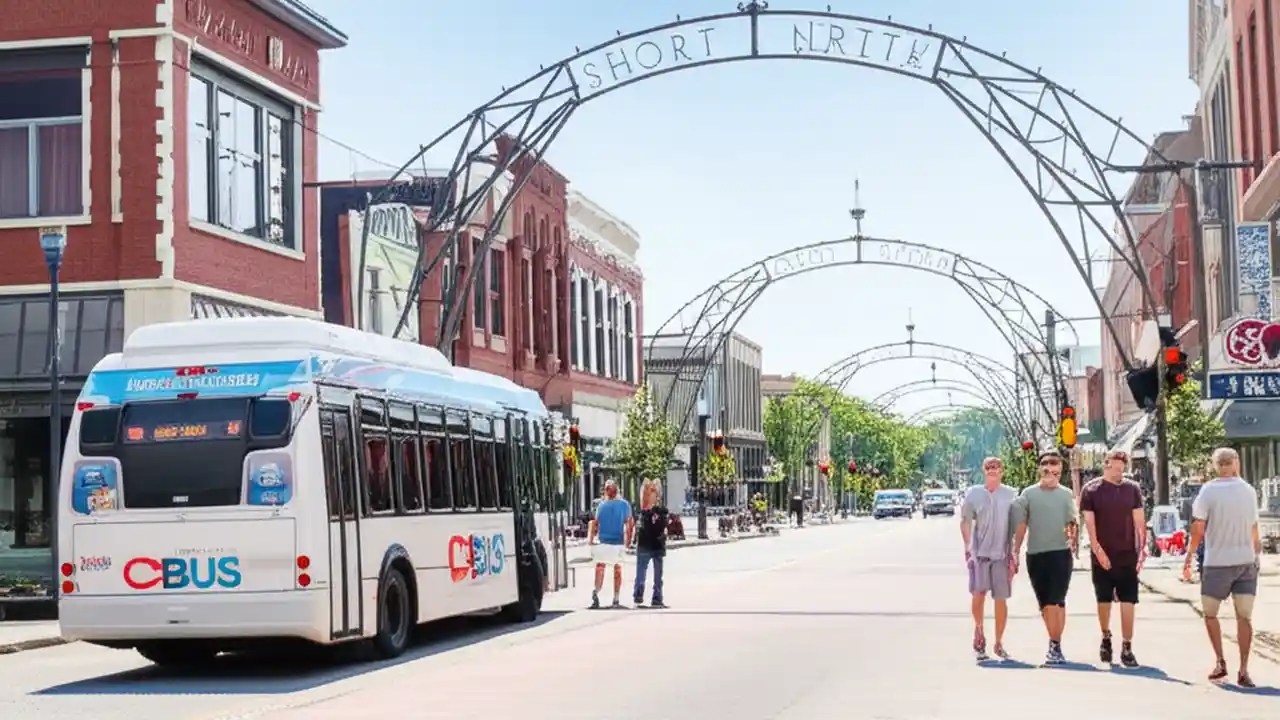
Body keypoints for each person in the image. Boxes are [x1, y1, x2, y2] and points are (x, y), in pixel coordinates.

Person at [1183, 447, 1262, 687]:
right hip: (1245, 561)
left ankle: (1220, 662)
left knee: (1210, 614)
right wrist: (1257, 554)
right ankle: (1244, 669)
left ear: (1216, 465)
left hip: (1217, 562)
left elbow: (1198, 528)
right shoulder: (1249, 491)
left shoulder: (1208, 491)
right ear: (1236, 463)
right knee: (1244, 617)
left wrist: (1188, 557)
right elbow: (1254, 527)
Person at [1013, 448, 1079, 664]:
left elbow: (1072, 520)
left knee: (1057, 601)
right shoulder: (1028, 494)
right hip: (1036, 554)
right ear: (1040, 469)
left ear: (1060, 472)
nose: (1050, 472)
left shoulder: (1066, 494)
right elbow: (1021, 524)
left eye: (1055, 469)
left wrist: (1074, 538)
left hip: (1060, 553)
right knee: (1045, 604)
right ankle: (1055, 642)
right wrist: (1015, 550)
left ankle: (1055, 646)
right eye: (1046, 467)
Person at [1080, 449, 1145, 667]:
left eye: (1122, 468)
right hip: (1102, 552)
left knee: (1129, 600)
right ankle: (1106, 636)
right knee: (1104, 599)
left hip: (1127, 552)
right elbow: (1090, 526)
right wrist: (1098, 551)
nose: (1119, 472)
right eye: (1115, 467)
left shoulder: (1132, 489)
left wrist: (1142, 549)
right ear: (1106, 464)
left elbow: (1139, 521)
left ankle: (1127, 646)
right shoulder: (1091, 491)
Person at [959, 456, 1018, 660]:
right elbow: (965, 520)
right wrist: (968, 547)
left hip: (1001, 555)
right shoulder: (974, 494)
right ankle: (979, 630)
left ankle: (999, 642)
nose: (993, 470)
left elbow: (1016, 525)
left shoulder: (1011, 495)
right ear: (983, 470)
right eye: (989, 467)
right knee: (978, 594)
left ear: (1002, 471)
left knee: (1001, 599)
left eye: (997, 467)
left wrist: (1014, 553)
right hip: (980, 555)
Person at [589, 480, 634, 609]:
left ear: (606, 492)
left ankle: (596, 591)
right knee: (617, 570)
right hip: (618, 542)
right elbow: (629, 524)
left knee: (600, 567)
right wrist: (628, 541)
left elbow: (594, 523)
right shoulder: (624, 505)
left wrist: (591, 540)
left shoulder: (601, 506)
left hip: (603, 541)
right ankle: (616, 597)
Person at [631, 479, 669, 608]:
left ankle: (642, 594)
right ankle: (652, 596)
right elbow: (662, 526)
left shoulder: (646, 512)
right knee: (653, 573)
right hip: (652, 544)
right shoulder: (650, 511)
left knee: (646, 571)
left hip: (649, 544)